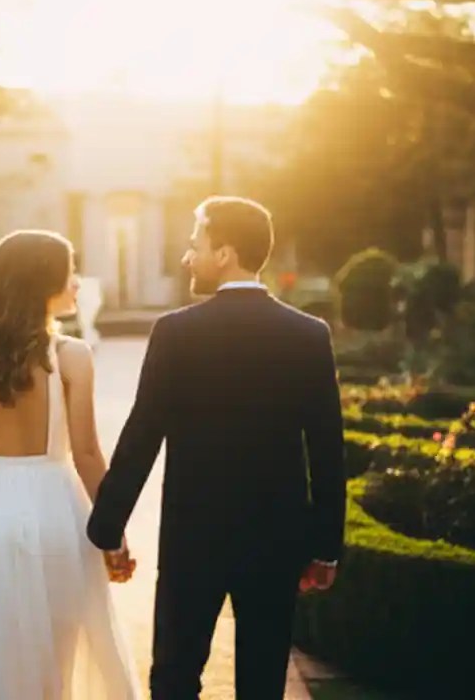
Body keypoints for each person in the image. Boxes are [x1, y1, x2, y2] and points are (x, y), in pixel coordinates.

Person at [87, 196, 346, 699]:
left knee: (176, 677)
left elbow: (142, 436)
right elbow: (327, 450)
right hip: (278, 539)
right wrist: (325, 547)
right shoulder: (308, 335)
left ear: (224, 253)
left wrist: (108, 526)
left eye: (195, 245)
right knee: (262, 680)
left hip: (193, 538)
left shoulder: (176, 333)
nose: (188, 257)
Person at [0, 230, 141, 699]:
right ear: (42, 282)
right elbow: (88, 453)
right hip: (55, 508)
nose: (77, 283)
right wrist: (113, 532)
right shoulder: (72, 356)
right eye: (70, 272)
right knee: (60, 654)